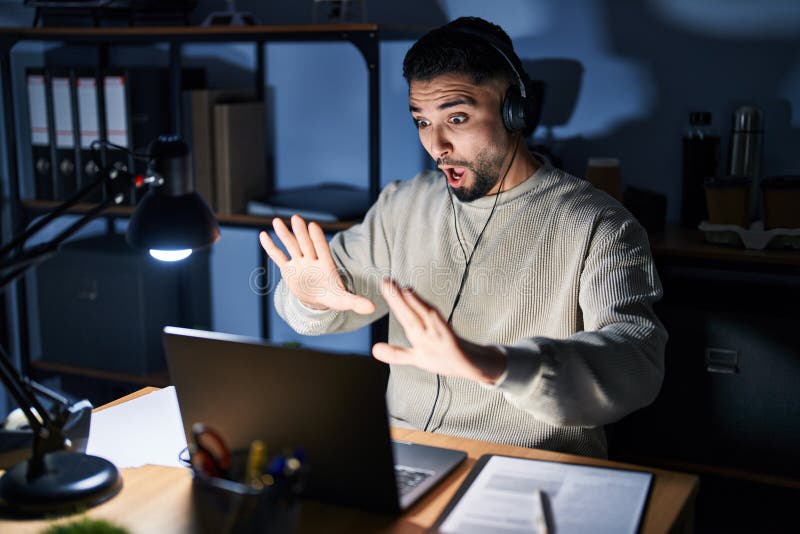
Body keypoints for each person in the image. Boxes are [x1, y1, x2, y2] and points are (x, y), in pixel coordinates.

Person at [259, 16, 666, 458]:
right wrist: (313, 299)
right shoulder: (402, 203)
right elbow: (333, 296)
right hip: (401, 454)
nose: (437, 145)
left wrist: (499, 365)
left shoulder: (599, 224)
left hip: (524, 463)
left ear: (516, 111)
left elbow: (637, 360)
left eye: (457, 117)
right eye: (422, 121)